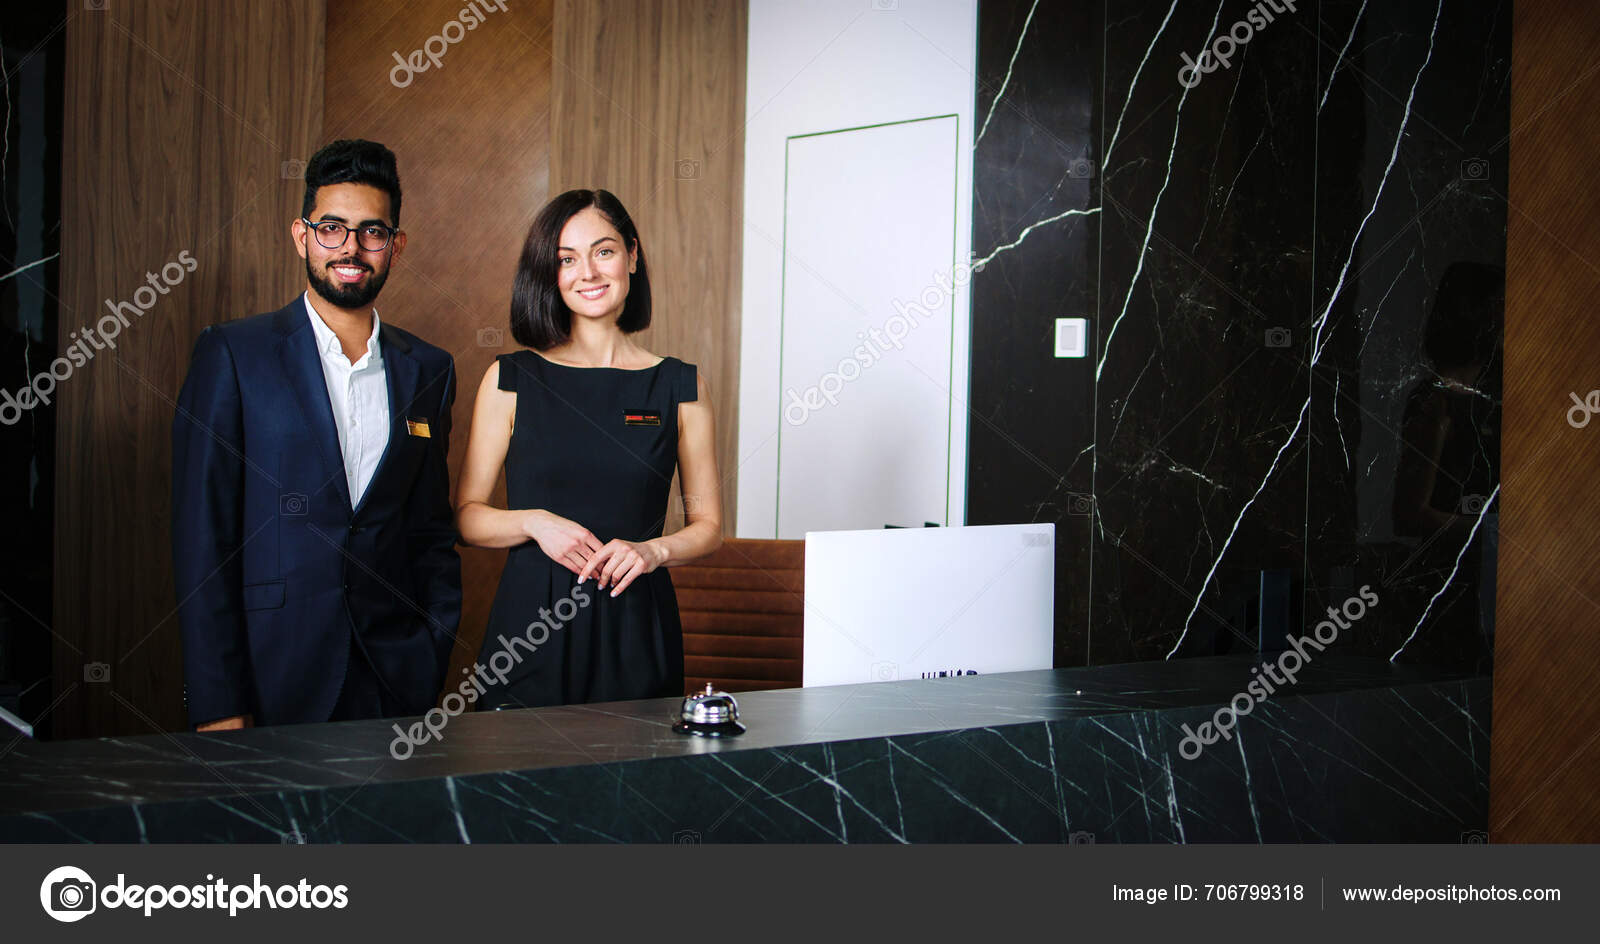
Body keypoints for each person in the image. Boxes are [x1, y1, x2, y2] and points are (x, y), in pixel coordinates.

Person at [171, 139, 461, 730]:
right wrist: (218, 702)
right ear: (301, 236)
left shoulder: (429, 369)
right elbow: (203, 539)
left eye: (372, 232)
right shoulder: (233, 354)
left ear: (395, 246)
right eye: (332, 228)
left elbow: (430, 529)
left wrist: (431, 648)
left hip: (395, 681)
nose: (351, 248)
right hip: (272, 676)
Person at [455, 189, 722, 708]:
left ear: (633, 256)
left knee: (638, 784)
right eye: (566, 259)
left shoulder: (680, 385)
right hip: (529, 630)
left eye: (603, 251)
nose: (589, 273)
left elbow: (708, 527)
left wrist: (654, 550)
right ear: (549, 274)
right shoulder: (510, 379)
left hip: (637, 626)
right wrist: (533, 522)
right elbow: (467, 518)